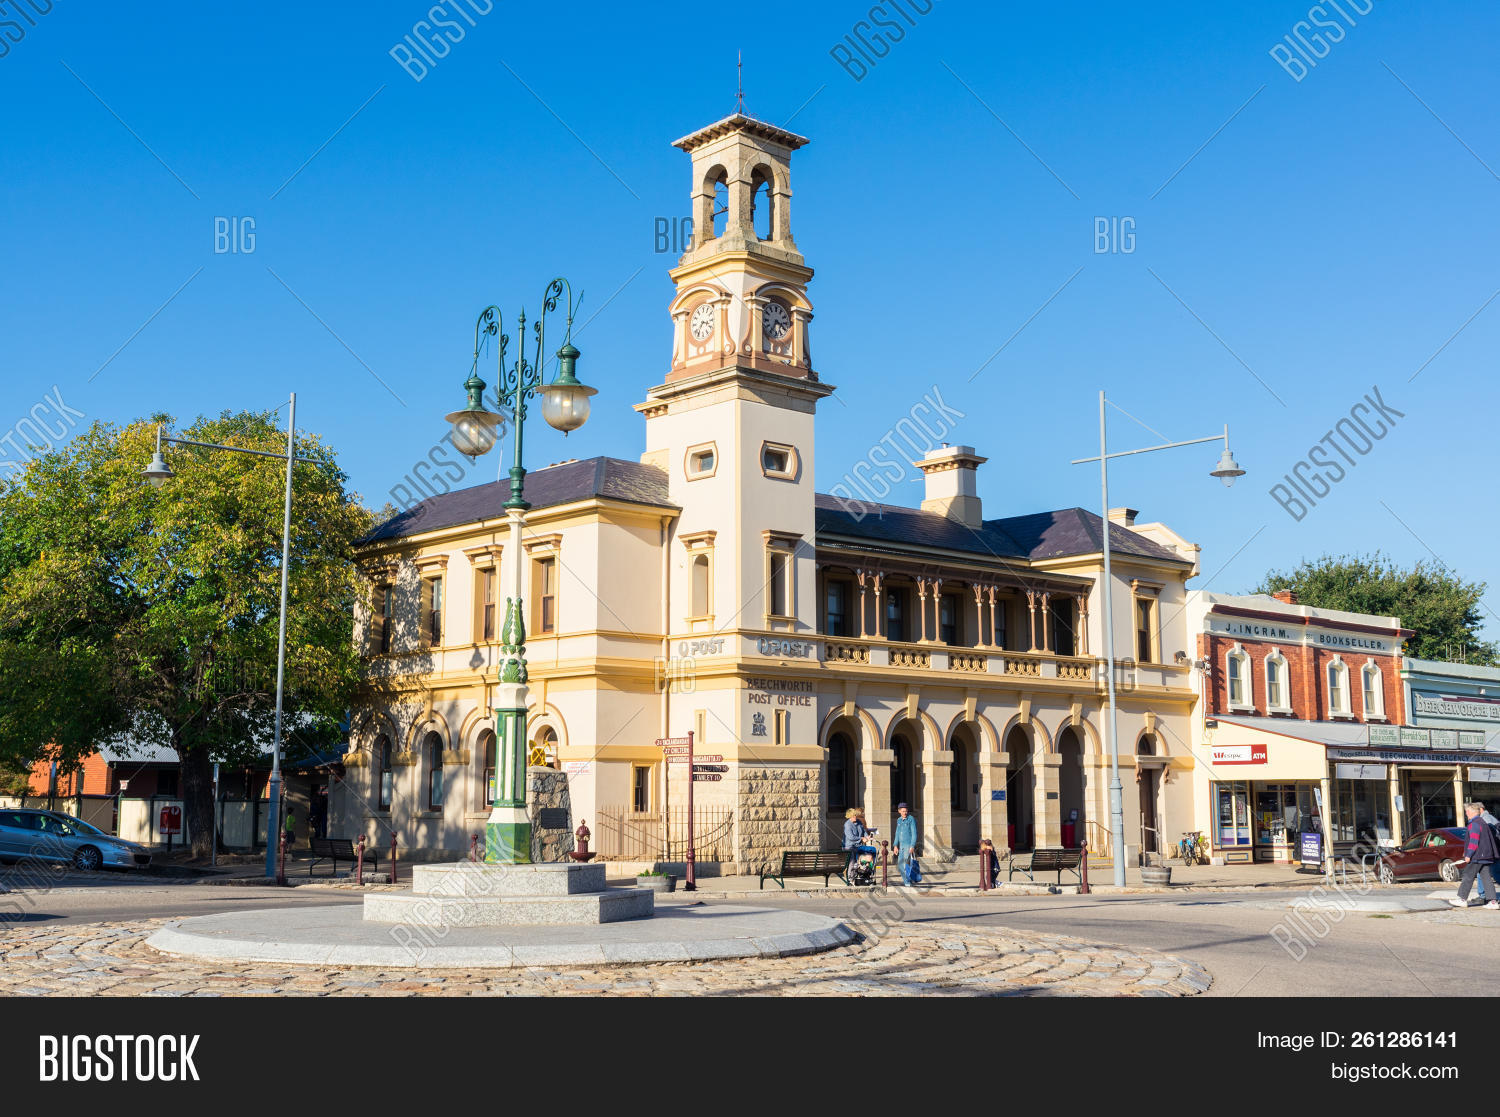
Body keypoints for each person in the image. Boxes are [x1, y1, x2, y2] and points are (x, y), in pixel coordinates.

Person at [1448, 801, 1500, 909]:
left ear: (1470, 812)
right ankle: (1493, 902)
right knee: (1486, 878)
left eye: (1466, 811)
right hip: (1485, 856)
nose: (1466, 813)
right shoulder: (1482, 822)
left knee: (1468, 875)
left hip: (1477, 856)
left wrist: (1468, 855)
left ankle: (1462, 899)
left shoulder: (1475, 824)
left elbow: (1474, 841)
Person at [842, 807, 878, 881]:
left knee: (861, 861)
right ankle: (850, 879)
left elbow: (864, 831)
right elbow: (851, 837)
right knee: (852, 863)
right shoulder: (847, 825)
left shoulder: (859, 822)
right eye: (853, 816)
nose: (855, 817)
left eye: (855, 815)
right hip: (849, 846)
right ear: (849, 817)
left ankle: (860, 876)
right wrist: (862, 838)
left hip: (858, 846)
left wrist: (867, 837)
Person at [894, 802, 920, 886]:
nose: (905, 813)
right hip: (901, 846)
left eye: (906, 811)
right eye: (903, 811)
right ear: (899, 811)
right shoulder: (899, 820)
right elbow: (897, 833)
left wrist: (912, 845)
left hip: (908, 846)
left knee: (906, 865)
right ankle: (907, 881)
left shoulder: (911, 819)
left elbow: (914, 833)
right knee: (900, 865)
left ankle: (907, 882)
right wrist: (895, 845)